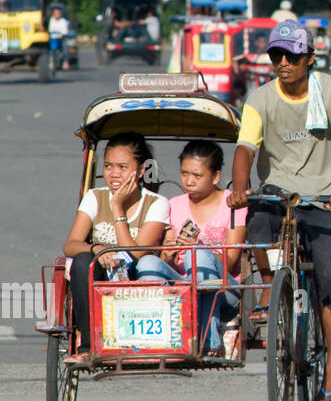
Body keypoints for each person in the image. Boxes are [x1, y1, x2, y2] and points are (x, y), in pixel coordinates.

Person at [229, 20, 331, 401]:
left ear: (309, 58)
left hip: (325, 199)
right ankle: (272, 288)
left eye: (291, 56)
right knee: (258, 219)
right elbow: (245, 149)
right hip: (278, 195)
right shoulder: (260, 98)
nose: (283, 63)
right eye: (276, 56)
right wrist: (240, 186)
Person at [61, 132, 170, 362]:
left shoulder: (156, 203)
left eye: (122, 166)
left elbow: (138, 253)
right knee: (82, 260)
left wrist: (118, 207)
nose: (113, 174)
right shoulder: (94, 197)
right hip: (97, 273)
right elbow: (71, 244)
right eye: (109, 166)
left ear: (141, 171)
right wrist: (97, 249)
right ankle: (87, 348)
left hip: (135, 277)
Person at [135, 142, 247, 356]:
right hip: (183, 283)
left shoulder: (231, 204)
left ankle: (209, 341)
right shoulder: (174, 204)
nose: (188, 181)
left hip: (223, 289)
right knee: (147, 262)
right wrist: (169, 254)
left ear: (215, 177)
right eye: (184, 173)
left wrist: (196, 248)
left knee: (200, 256)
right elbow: (167, 257)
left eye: (197, 175)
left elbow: (230, 260)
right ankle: (153, 338)